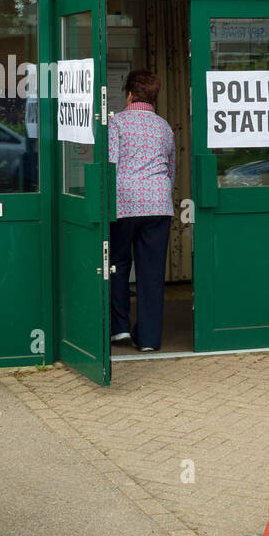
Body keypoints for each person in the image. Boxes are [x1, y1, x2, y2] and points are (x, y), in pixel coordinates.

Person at [108, 69, 176, 352]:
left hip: (125, 202)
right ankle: (148, 339)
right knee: (151, 272)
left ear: (129, 94)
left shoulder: (117, 124)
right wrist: (160, 192)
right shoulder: (164, 127)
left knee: (118, 264)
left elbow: (110, 165)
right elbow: (171, 169)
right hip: (159, 203)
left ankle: (120, 328)